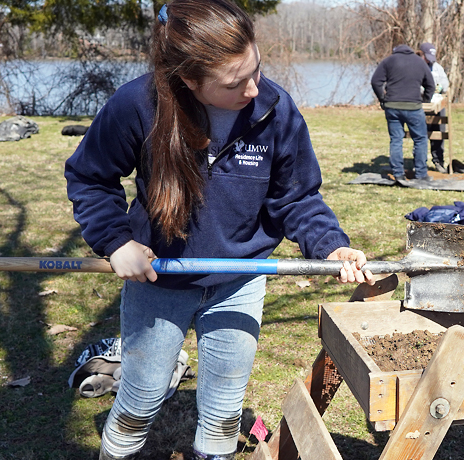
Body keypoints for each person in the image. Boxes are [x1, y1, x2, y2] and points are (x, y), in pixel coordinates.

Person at [63, 1, 373, 458]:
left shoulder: (275, 110)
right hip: (159, 276)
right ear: (189, 79)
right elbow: (91, 177)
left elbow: (298, 197)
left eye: (256, 69)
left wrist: (331, 246)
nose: (253, 88)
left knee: (225, 405)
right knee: (143, 394)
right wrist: (117, 242)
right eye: (234, 82)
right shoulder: (138, 105)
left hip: (239, 279)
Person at [371, 43, 435, 181]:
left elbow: (375, 81)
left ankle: (398, 173)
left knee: (396, 139)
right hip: (413, 107)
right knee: (420, 139)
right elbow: (430, 84)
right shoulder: (419, 62)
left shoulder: (388, 61)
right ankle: (421, 174)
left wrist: (383, 99)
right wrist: (426, 100)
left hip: (392, 106)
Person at [419, 42, 450, 173]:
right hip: (422, 105)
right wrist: (425, 91)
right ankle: (420, 162)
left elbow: (445, 83)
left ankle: (438, 160)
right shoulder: (416, 67)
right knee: (421, 134)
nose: (429, 61)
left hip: (437, 104)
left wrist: (440, 88)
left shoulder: (437, 68)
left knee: (438, 132)